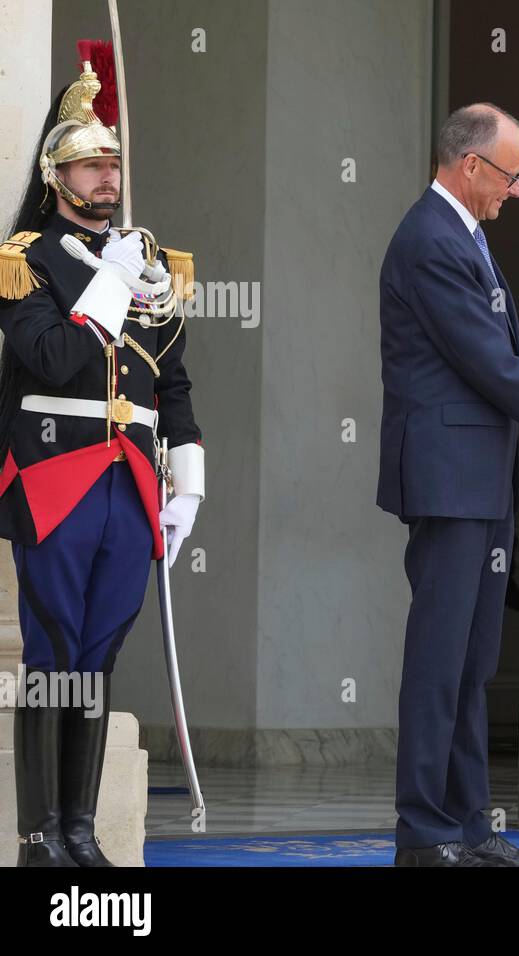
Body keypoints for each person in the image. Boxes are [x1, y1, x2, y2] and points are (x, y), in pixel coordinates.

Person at [376, 102, 519, 867]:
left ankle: (470, 826)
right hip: (448, 482)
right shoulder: (430, 239)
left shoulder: (464, 235)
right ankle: (425, 832)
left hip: (478, 479)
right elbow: (487, 362)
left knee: (473, 662)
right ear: (471, 166)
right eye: (509, 177)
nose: (515, 192)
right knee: (440, 661)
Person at [0, 52, 203, 867]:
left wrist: (186, 487)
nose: (107, 176)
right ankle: (38, 835)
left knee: (99, 652)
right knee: (52, 651)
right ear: (57, 177)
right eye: (91, 163)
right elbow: (47, 360)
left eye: (113, 163)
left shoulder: (149, 265)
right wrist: (109, 284)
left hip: (130, 482)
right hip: (56, 477)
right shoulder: (27, 260)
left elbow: (175, 385)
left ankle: (80, 832)